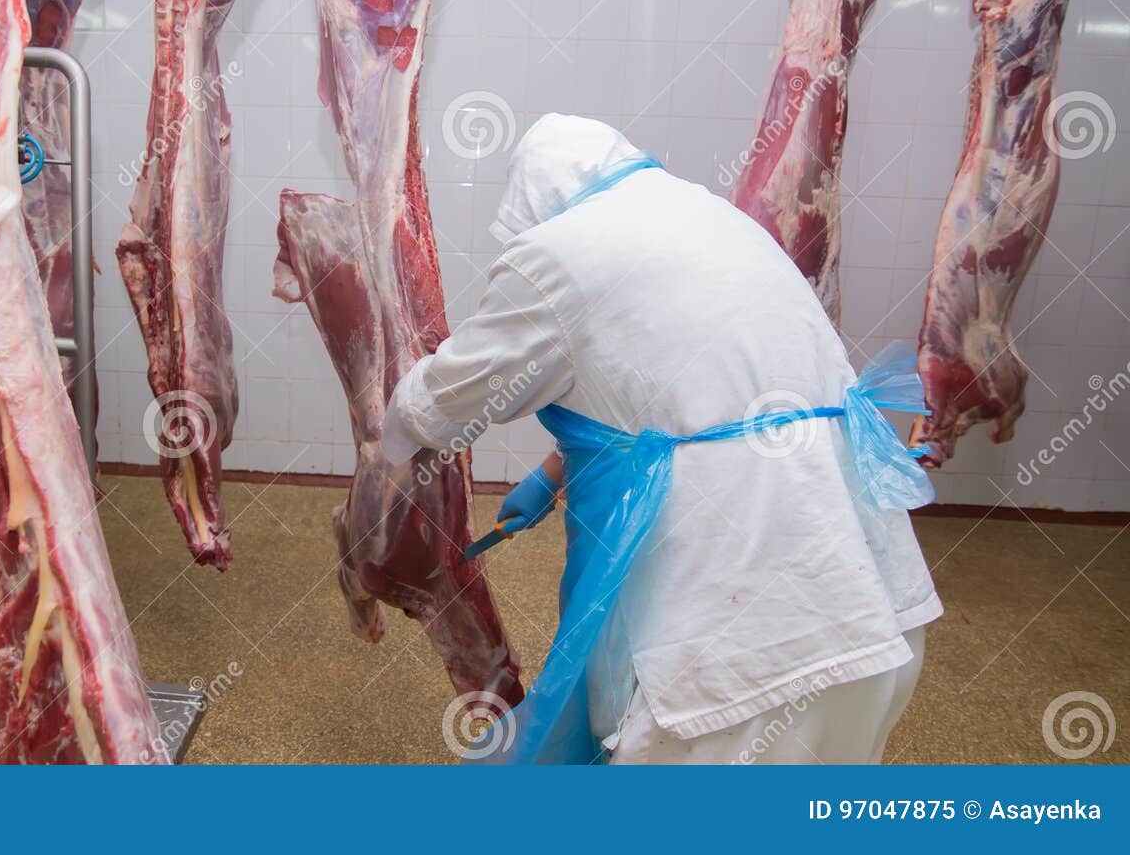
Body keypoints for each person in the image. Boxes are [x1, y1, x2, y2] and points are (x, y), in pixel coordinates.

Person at [382, 113, 942, 765]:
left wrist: (383, 449)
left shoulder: (557, 257)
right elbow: (693, 401)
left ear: (535, 202)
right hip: (876, 609)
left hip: (742, 661)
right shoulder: (718, 222)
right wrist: (552, 475)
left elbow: (436, 406)